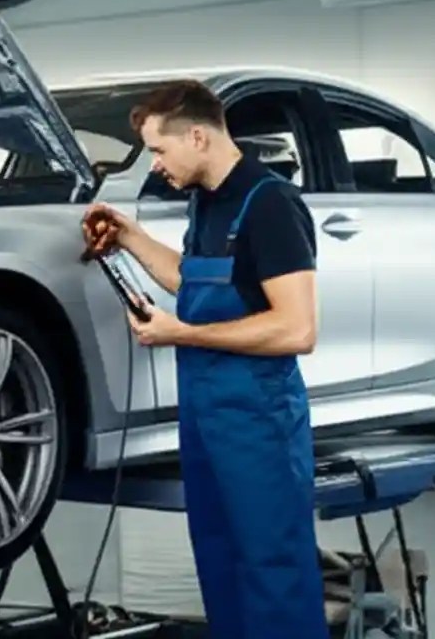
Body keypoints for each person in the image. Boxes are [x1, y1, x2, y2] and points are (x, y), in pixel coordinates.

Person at [81, 79, 328, 639]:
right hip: (206, 416)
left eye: (161, 151)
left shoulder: (269, 205)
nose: (157, 165)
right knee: (219, 564)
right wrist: (130, 237)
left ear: (197, 136)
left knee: (273, 570)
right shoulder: (207, 201)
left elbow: (297, 327)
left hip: (258, 421)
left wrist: (181, 334)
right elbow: (192, 279)